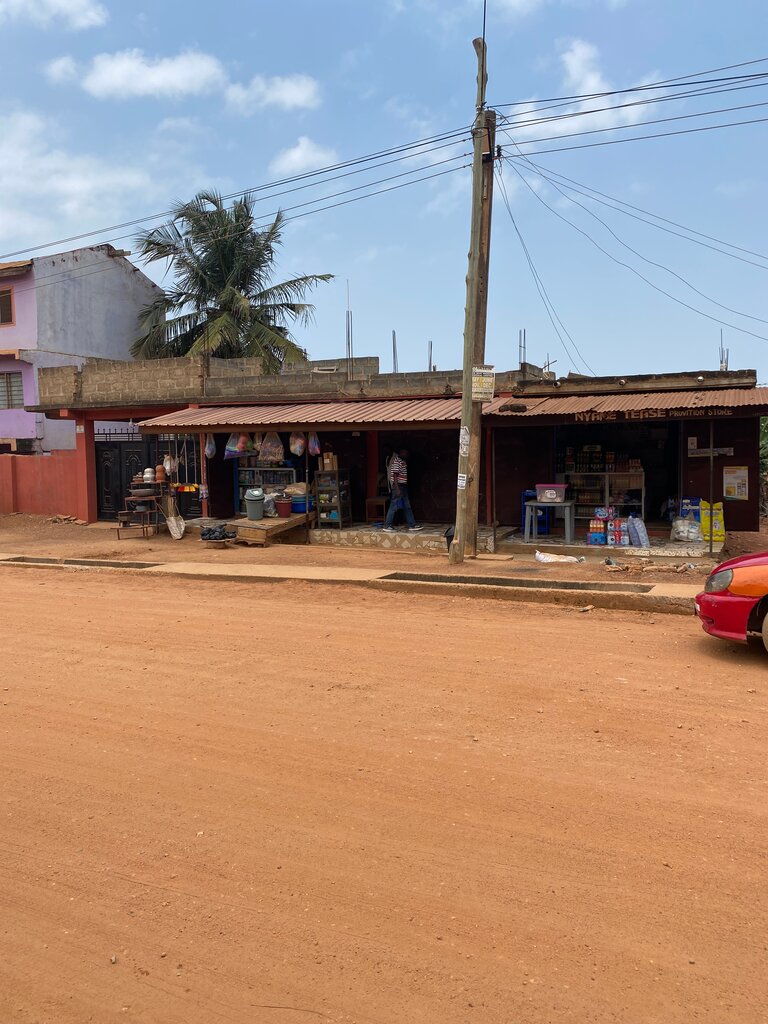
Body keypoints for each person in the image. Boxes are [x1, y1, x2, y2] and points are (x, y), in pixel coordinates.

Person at [383, 448, 423, 532]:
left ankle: (412, 525)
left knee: (407, 506)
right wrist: (397, 489)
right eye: (406, 453)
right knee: (393, 506)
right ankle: (387, 525)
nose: (407, 455)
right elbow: (394, 475)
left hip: (403, 487)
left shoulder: (402, 461)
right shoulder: (397, 461)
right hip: (399, 487)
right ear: (402, 453)